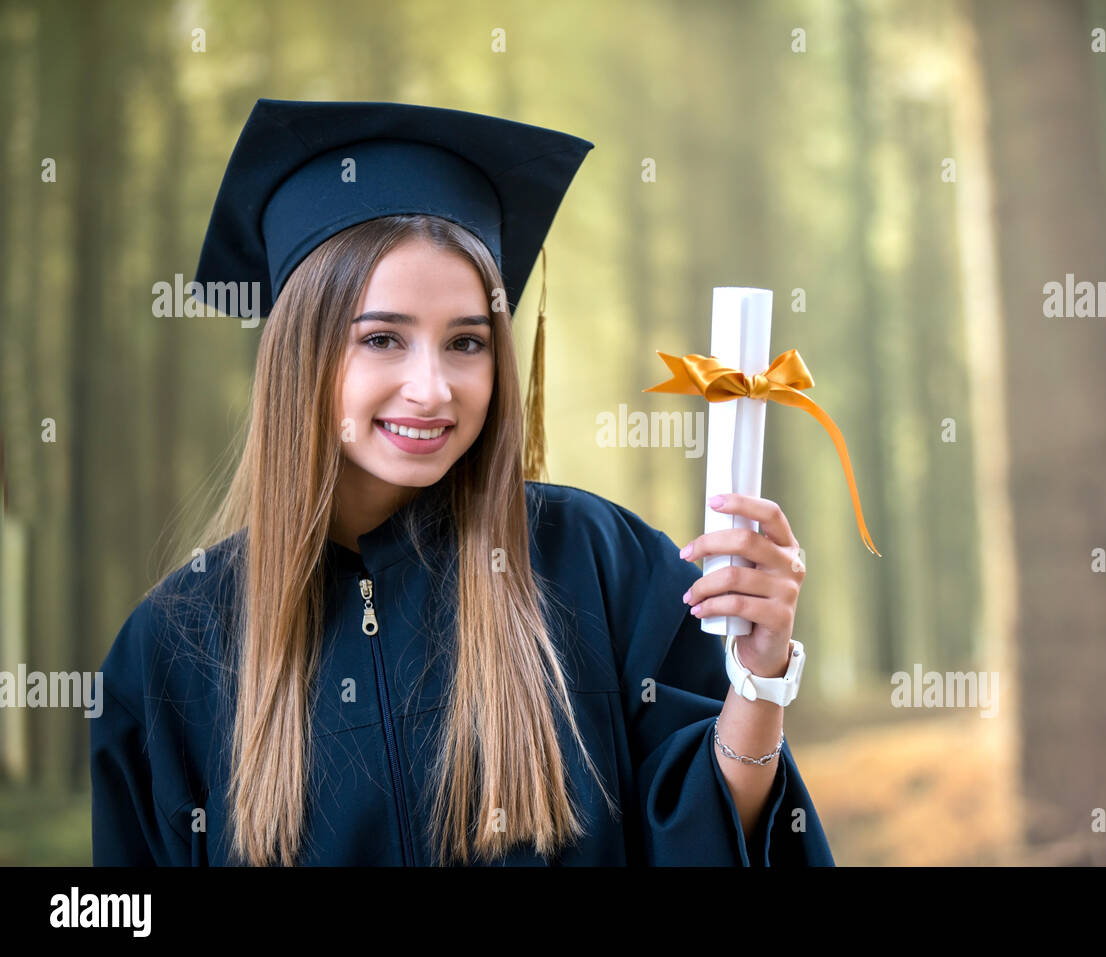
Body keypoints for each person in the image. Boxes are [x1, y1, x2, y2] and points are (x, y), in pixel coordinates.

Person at [90, 98, 834, 866]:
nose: (433, 388)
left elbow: (713, 838)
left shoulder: (603, 566)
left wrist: (758, 677)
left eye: (466, 342)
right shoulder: (172, 650)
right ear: (297, 356)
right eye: (382, 338)